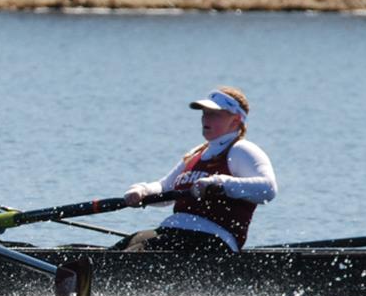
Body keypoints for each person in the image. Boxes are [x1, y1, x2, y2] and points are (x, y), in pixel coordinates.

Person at [118, 87, 277, 252]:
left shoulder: (242, 150)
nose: (205, 118)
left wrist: (219, 183)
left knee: (136, 253)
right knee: (124, 246)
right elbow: (165, 188)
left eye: (214, 114)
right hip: (172, 231)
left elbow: (268, 189)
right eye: (205, 113)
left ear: (235, 120)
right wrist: (142, 190)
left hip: (212, 239)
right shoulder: (196, 153)